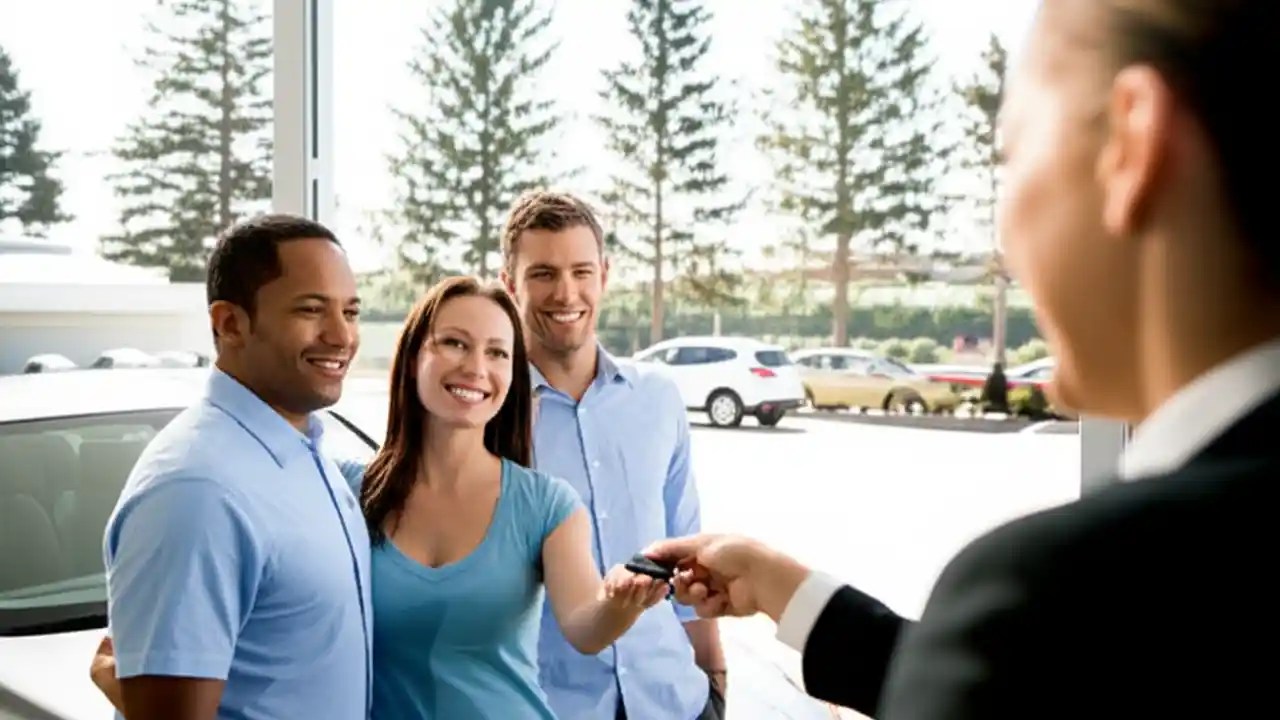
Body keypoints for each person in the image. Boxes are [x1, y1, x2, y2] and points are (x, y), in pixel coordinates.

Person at [645, 0, 1277, 717]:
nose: (1008, 235)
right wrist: (790, 592)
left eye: (1012, 154)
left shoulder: (1059, 593)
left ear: (1132, 143)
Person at [354, 275, 670, 718]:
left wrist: (621, 602)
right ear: (412, 358)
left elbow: (584, 627)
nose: (476, 368)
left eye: (497, 353)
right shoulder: (349, 492)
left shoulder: (547, 505)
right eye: (455, 343)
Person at [100, 214, 373, 720]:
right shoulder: (197, 490)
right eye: (311, 310)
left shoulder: (309, 454)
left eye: (351, 312)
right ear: (230, 323)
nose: (341, 336)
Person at [499, 190, 727, 719]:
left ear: (604, 274)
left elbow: (687, 544)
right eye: (543, 274)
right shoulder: (488, 415)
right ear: (510, 283)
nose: (566, 293)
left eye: (582, 271)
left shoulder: (658, 398)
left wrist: (714, 681)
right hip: (549, 706)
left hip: (675, 700)